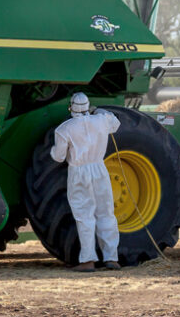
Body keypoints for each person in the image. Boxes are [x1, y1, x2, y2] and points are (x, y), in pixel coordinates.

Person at [50, 92, 122, 271]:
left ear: (71, 108)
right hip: (99, 169)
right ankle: (112, 258)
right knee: (106, 213)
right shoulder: (102, 120)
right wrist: (97, 110)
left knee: (84, 216)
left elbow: (58, 157)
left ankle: (88, 261)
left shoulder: (64, 129)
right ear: (88, 106)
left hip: (79, 171)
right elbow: (115, 123)